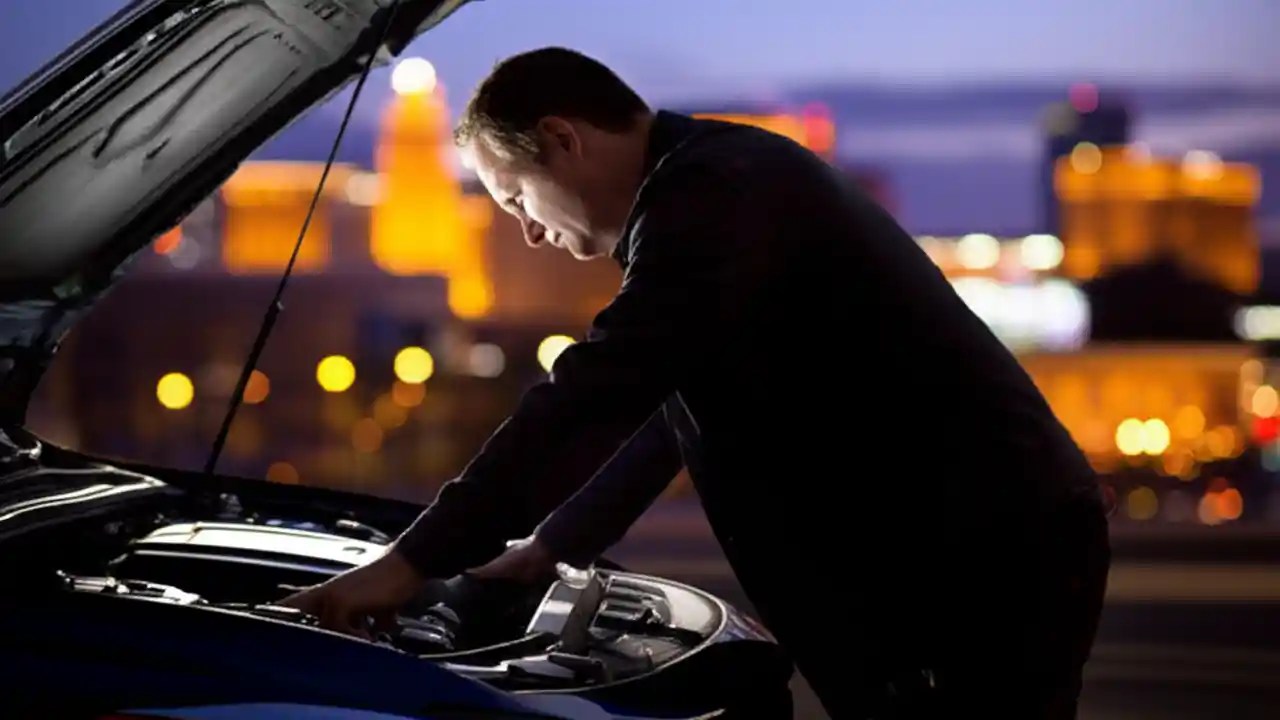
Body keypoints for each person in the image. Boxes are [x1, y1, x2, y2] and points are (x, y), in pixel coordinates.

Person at [281, 47, 1112, 718]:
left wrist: (412, 561)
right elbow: (665, 410)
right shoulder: (711, 188)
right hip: (960, 551)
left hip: (979, 560)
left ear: (564, 140)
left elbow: (597, 393)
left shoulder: (717, 194)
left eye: (515, 199)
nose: (528, 232)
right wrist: (548, 547)